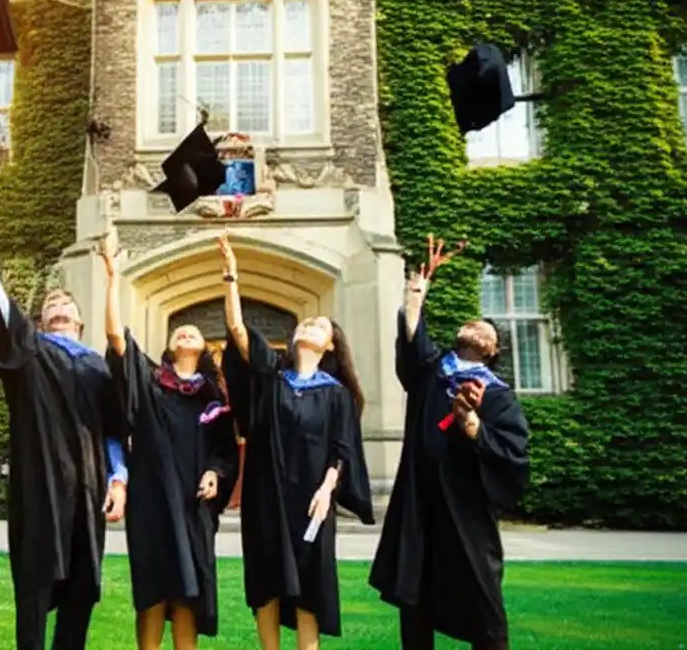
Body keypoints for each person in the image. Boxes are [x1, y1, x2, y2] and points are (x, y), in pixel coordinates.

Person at [0, 195, 129, 650]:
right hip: (40, 488)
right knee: (35, 590)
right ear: (41, 320)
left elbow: (116, 427)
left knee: (82, 588)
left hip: (90, 490)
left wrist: (119, 480)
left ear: (79, 320)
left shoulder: (98, 365)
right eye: (51, 304)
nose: (59, 307)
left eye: (66, 304)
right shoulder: (29, 354)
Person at [369, 236, 531, 650]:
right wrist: (414, 297)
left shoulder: (498, 395)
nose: (477, 325)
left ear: (492, 352)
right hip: (421, 505)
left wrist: (473, 425)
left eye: (486, 329)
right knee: (415, 598)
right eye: (472, 324)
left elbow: (513, 454)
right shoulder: (432, 371)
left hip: (466, 511)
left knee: (484, 602)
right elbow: (411, 344)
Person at [217, 232, 375, 650]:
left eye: (320, 325)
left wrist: (327, 490)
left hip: (311, 497)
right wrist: (232, 276)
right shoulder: (271, 377)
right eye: (307, 321)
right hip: (266, 494)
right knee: (267, 578)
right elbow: (236, 328)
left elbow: (342, 449)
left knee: (311, 582)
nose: (311, 323)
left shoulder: (336, 393)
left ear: (330, 346)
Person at [98, 233, 240, 650]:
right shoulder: (149, 382)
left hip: (193, 505)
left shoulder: (212, 398)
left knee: (188, 591)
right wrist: (112, 277)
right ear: (169, 344)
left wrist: (215, 473)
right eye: (179, 331)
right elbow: (116, 340)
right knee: (153, 590)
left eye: (194, 333)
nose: (186, 334)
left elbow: (224, 452)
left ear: (203, 348)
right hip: (153, 500)